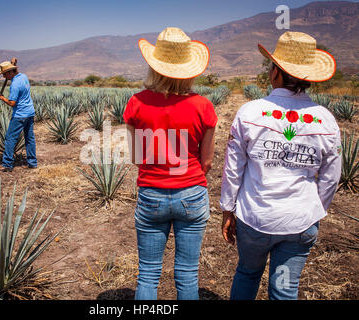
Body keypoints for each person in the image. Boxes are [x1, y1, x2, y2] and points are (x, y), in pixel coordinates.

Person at [220, 31, 341, 300]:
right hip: (300, 223)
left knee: (248, 273)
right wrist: (314, 209)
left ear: (275, 72)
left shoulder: (250, 112)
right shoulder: (326, 120)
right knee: (284, 289)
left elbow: (233, 168)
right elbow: (331, 177)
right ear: (308, 78)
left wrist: (228, 210)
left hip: (255, 220)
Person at [124, 27, 217, 300]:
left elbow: (136, 158)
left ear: (154, 66)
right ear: (190, 70)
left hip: (151, 194)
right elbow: (208, 162)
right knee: (188, 273)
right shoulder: (203, 106)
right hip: (192, 194)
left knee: (149, 272)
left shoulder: (137, 103)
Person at [0, 59, 37, 172]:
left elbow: (12, 103)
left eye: (4, 74)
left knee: (10, 139)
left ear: (9, 72)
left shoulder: (14, 85)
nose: (4, 77)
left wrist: (2, 98)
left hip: (20, 115)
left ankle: (7, 164)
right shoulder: (24, 77)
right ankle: (32, 163)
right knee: (29, 138)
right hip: (30, 112)